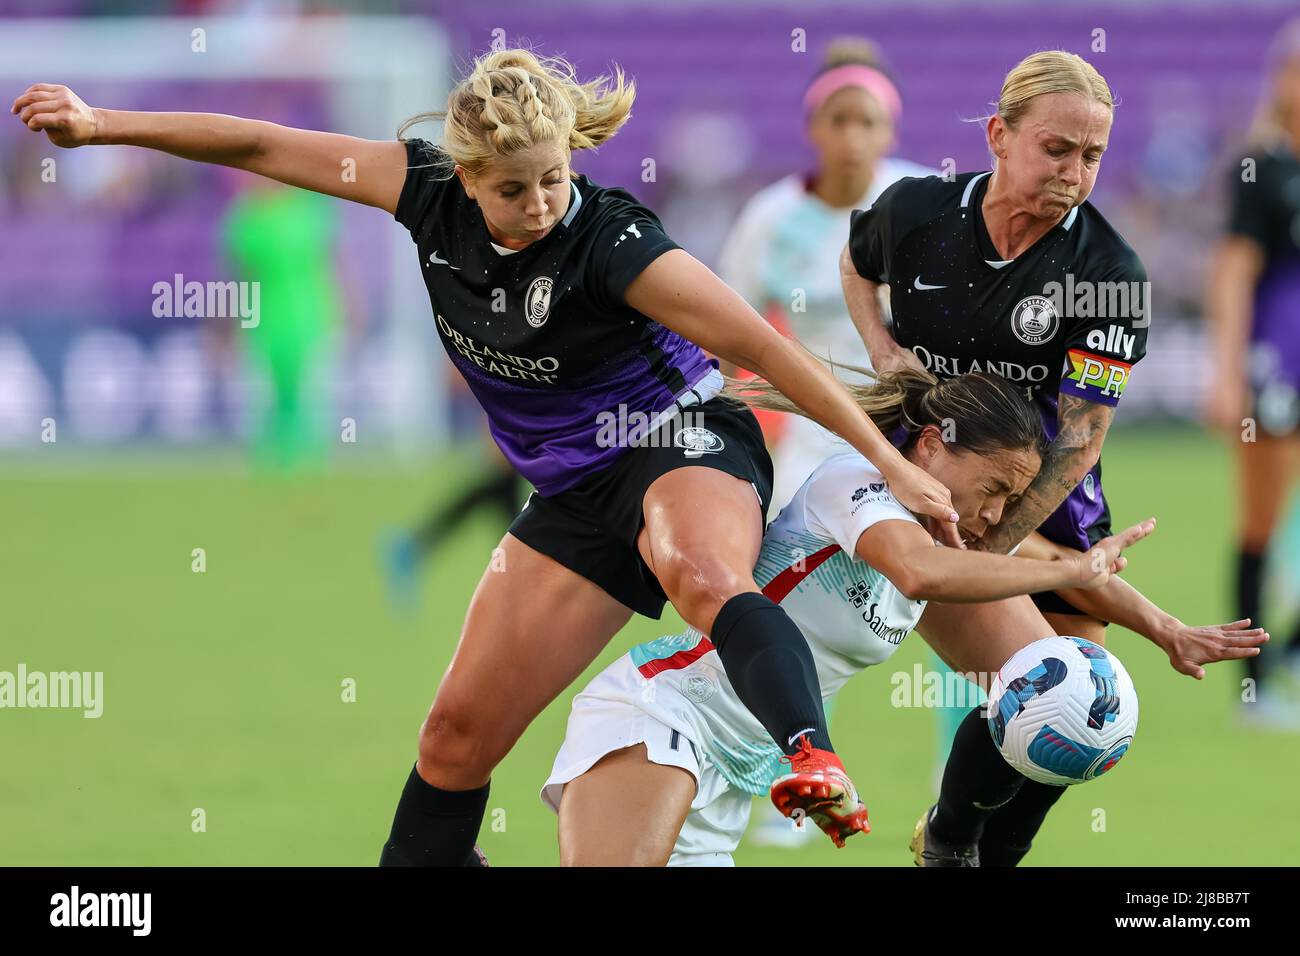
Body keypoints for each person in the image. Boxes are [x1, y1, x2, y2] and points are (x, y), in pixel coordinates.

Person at [12, 48, 970, 865]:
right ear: (463, 176)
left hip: (679, 437)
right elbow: (261, 146)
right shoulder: (421, 191)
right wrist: (103, 126)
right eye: (514, 187)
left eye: (555, 177)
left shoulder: (610, 236)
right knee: (454, 740)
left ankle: (811, 756)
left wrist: (895, 456)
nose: (544, 202)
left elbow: (763, 350)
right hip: (571, 489)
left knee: (699, 570)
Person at [545, 368, 1251, 866]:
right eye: (997, 489)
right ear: (934, 444)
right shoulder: (854, 484)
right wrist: (1066, 571)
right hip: (667, 715)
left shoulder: (948, 532)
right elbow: (924, 572)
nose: (996, 515)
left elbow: (1067, 563)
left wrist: (1164, 629)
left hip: (743, 770)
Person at [841, 49, 1265, 864]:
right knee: (1044, 686)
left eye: (1093, 155)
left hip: (1046, 495)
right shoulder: (915, 212)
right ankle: (953, 842)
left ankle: (955, 839)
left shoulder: (1108, 274)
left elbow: (1078, 444)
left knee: (1084, 714)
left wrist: (990, 553)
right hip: (929, 476)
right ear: (999, 136)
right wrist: (882, 348)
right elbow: (857, 266)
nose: (1075, 172)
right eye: (1057, 150)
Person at [716, 37, 955, 847]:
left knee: (943, 600)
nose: (854, 134)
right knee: (785, 613)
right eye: (839, 117)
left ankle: (953, 789)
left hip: (909, 446)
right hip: (807, 443)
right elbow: (727, 332)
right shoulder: (770, 218)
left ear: (890, 129)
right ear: (814, 125)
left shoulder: (919, 202)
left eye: (870, 120)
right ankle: (794, 773)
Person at [1205, 17, 1300, 727]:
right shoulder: (1263, 170)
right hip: (1279, 356)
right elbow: (1234, 271)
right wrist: (1227, 370)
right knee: (1260, 521)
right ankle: (1254, 684)